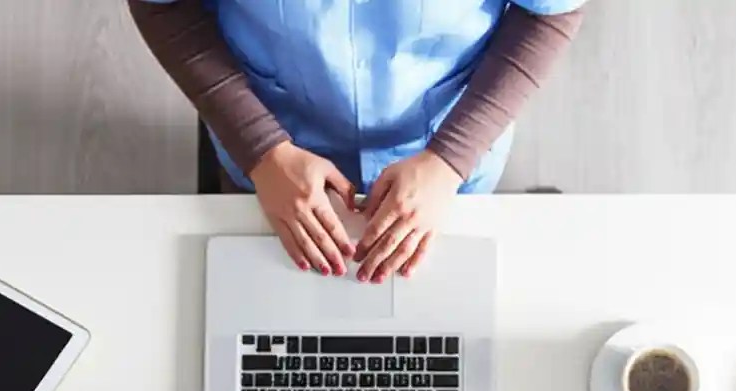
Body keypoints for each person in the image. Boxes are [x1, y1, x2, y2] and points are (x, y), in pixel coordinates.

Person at [128, 0, 586, 282]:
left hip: (447, 157)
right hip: (268, 152)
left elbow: (550, 13)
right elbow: (162, 4)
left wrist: (450, 159)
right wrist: (259, 147)